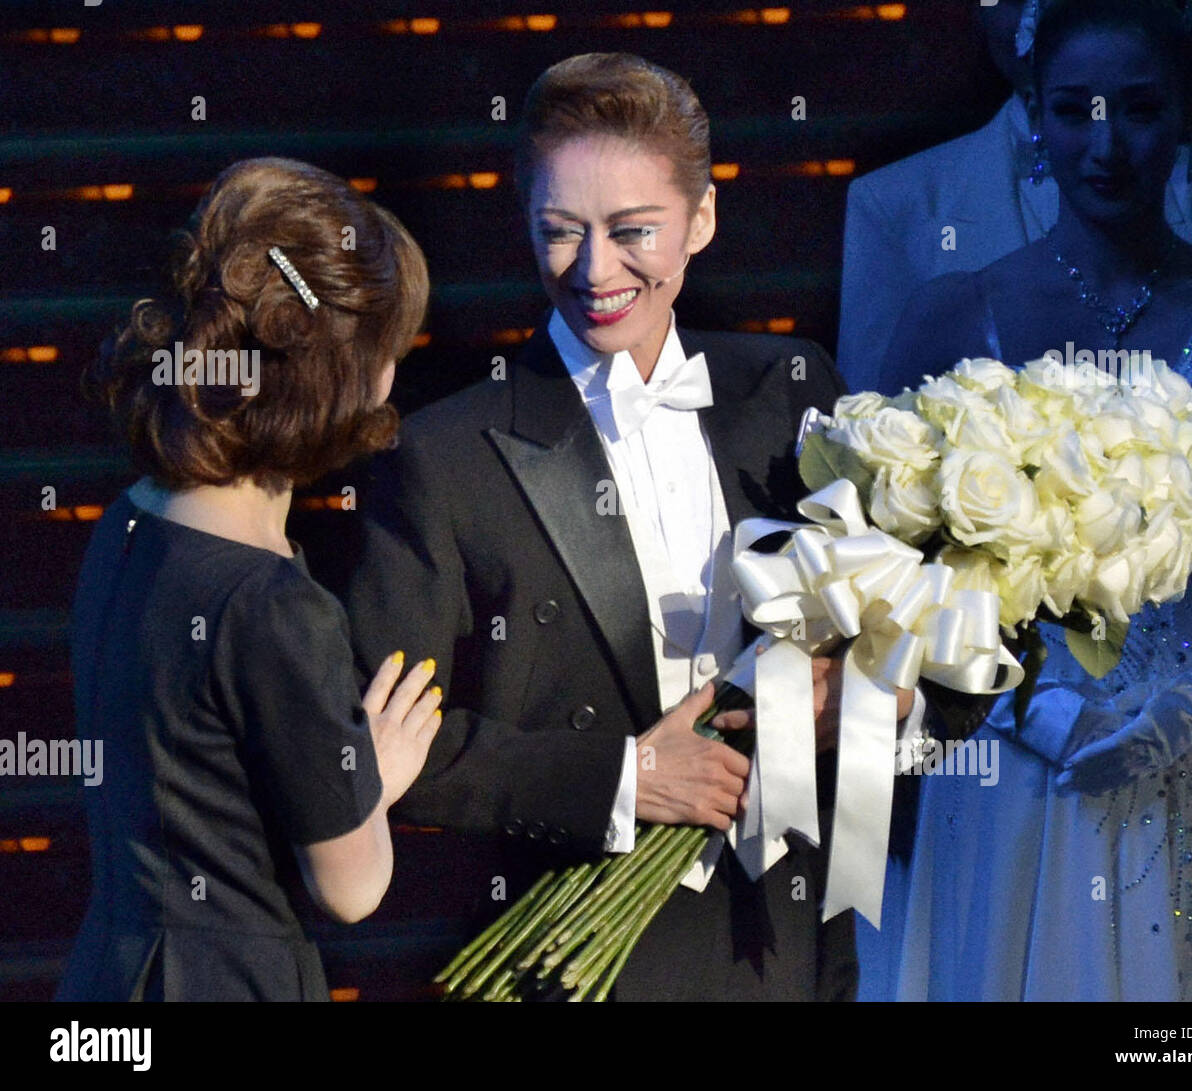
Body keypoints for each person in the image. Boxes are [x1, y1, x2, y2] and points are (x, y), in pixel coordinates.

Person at [339, 52, 927, 1001]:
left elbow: (927, 651)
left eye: (633, 230)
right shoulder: (444, 455)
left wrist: (875, 701)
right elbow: (390, 739)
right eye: (561, 232)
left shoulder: (791, 392)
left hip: (786, 945)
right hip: (571, 960)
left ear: (701, 220)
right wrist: (624, 778)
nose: (595, 269)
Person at [876, 0, 1192, 1000]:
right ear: (1034, 114)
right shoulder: (955, 311)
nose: (1106, 144)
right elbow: (881, 567)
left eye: (1139, 109)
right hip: (1011, 752)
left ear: (1187, 111)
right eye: (1074, 111)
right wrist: (1032, 703)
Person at [57, 158, 441, 1001]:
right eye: (387, 353)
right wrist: (368, 770)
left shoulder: (127, 523)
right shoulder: (271, 605)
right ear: (343, 381)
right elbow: (350, 887)